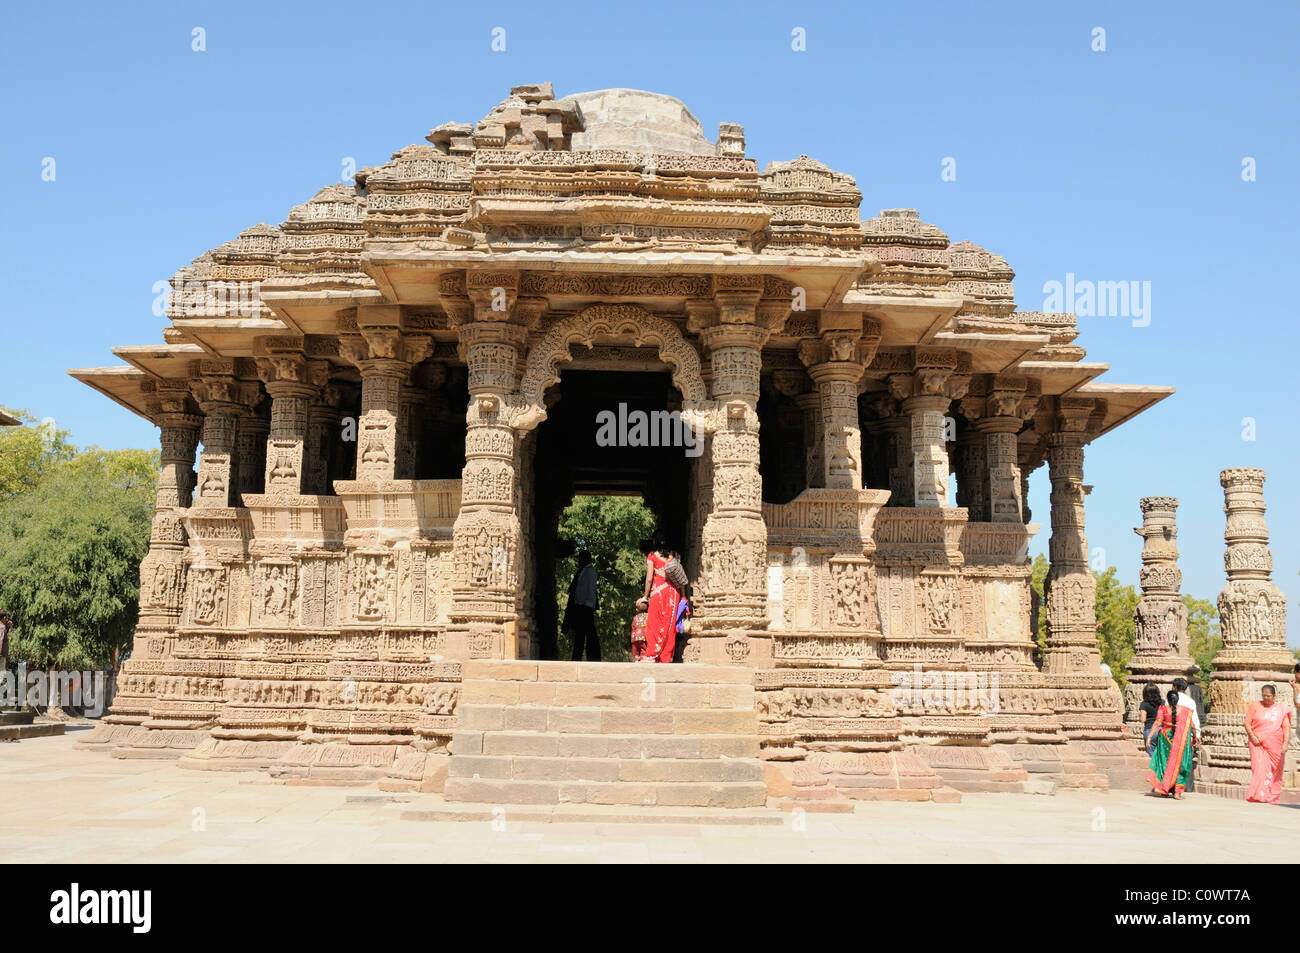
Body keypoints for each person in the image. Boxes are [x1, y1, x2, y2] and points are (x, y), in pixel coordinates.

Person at [1245, 683, 1292, 804]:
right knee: (1258, 768)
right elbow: (1247, 723)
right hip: (1257, 743)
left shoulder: (1280, 709)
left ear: (1274, 696)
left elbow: (1286, 727)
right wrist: (1252, 736)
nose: (1266, 698)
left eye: (1268, 696)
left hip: (1275, 744)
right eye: (1264, 696)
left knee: (1276, 770)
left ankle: (1272, 796)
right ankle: (1258, 795)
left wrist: (1285, 743)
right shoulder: (1255, 705)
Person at [639, 532, 681, 664]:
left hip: (658, 593)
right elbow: (680, 576)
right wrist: (684, 596)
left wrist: (645, 596)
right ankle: (666, 657)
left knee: (654, 624)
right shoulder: (676, 556)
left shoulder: (652, 556)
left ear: (654, 541)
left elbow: (649, 578)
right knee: (669, 625)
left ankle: (652, 654)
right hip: (673, 593)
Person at [1146, 688, 1197, 798]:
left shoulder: (1163, 709)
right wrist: (1195, 736)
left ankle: (1164, 790)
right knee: (1180, 764)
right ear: (1177, 699)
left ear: (1167, 700)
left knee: (1164, 764)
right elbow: (1192, 726)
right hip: (1182, 740)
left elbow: (1157, 723)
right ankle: (1177, 792)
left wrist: (1149, 737)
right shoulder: (1185, 711)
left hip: (1165, 740)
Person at [564, 551, 600, 662]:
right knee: (580, 633)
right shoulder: (581, 572)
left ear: (587, 559)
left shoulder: (591, 572)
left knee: (590, 633)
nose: (579, 561)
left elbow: (591, 589)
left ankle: (594, 657)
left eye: (581, 558)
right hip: (579, 606)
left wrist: (589, 605)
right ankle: (577, 657)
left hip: (586, 607)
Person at [1171, 676, 1202, 792]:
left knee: (1172, 759)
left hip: (1172, 733)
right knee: (1186, 759)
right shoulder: (1190, 701)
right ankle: (1187, 787)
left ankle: (1171, 786)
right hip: (1186, 733)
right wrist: (1197, 735)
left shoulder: (1170, 699)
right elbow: (1194, 720)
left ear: (1174, 687)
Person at [1138, 683, 1163, 753]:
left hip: (1149, 730)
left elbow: (1143, 719)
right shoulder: (1163, 702)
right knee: (1161, 755)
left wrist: (1139, 715)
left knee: (1150, 755)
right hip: (1162, 730)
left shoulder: (1144, 704)